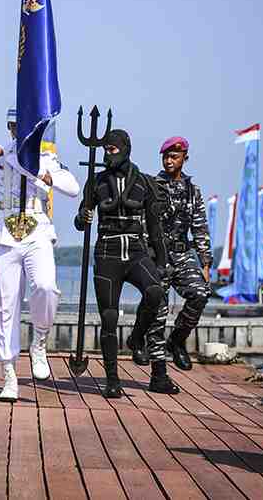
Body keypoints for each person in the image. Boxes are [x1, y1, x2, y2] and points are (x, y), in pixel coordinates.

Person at [0, 109, 80, 402]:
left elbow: (73, 189)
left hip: (37, 229)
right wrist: (0, 150)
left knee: (46, 287)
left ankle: (39, 339)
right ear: (10, 127)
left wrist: (38, 169)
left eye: (24, 125)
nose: (20, 130)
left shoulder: (47, 158)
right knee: (7, 305)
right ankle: (9, 374)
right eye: (15, 126)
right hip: (3, 233)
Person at [74, 129, 179, 397]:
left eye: (112, 150)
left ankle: (136, 337)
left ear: (125, 149)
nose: (108, 155)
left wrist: (163, 261)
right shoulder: (96, 182)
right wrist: (83, 218)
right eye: (105, 150)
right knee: (109, 316)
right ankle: (112, 379)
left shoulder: (144, 183)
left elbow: (155, 229)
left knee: (155, 291)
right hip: (107, 251)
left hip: (135, 249)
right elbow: (80, 219)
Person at [154, 137, 213, 370]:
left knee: (200, 293)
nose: (169, 161)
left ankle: (177, 341)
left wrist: (205, 263)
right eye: (166, 156)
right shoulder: (152, 186)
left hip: (181, 253)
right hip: (157, 255)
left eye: (174, 157)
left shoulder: (192, 191)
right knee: (158, 310)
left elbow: (200, 227)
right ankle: (158, 369)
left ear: (184, 158)